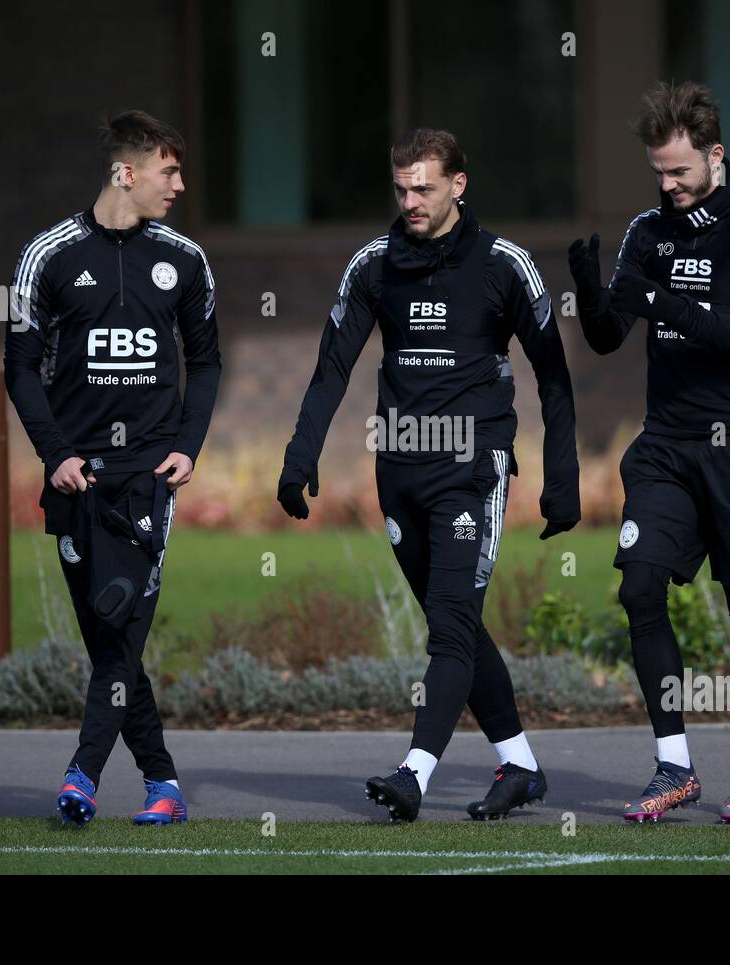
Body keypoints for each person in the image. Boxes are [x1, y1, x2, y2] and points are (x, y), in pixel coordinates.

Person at [277, 128, 580, 821]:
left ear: (458, 185)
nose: (411, 200)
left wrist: (561, 479)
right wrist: (301, 457)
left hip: (472, 469)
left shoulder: (505, 265)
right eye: (402, 188)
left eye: (425, 187)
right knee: (459, 626)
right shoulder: (373, 266)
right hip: (399, 470)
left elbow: (554, 377)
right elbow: (332, 367)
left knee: (448, 627)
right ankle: (523, 766)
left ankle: (414, 772)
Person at [568, 81, 730, 824]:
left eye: (679, 172)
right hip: (664, 443)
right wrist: (589, 289)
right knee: (638, 588)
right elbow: (608, 336)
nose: (667, 186)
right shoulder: (647, 231)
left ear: (714, 155)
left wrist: (658, 300)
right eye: (658, 173)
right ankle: (674, 765)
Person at [4, 110, 221, 826]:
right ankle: (163, 782)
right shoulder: (49, 255)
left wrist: (189, 443)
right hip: (76, 480)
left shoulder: (185, 260)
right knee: (111, 643)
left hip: (147, 480)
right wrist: (56, 453)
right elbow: (21, 368)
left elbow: (208, 359)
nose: (180, 185)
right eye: (169, 170)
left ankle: (82, 775)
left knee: (118, 619)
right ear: (127, 173)